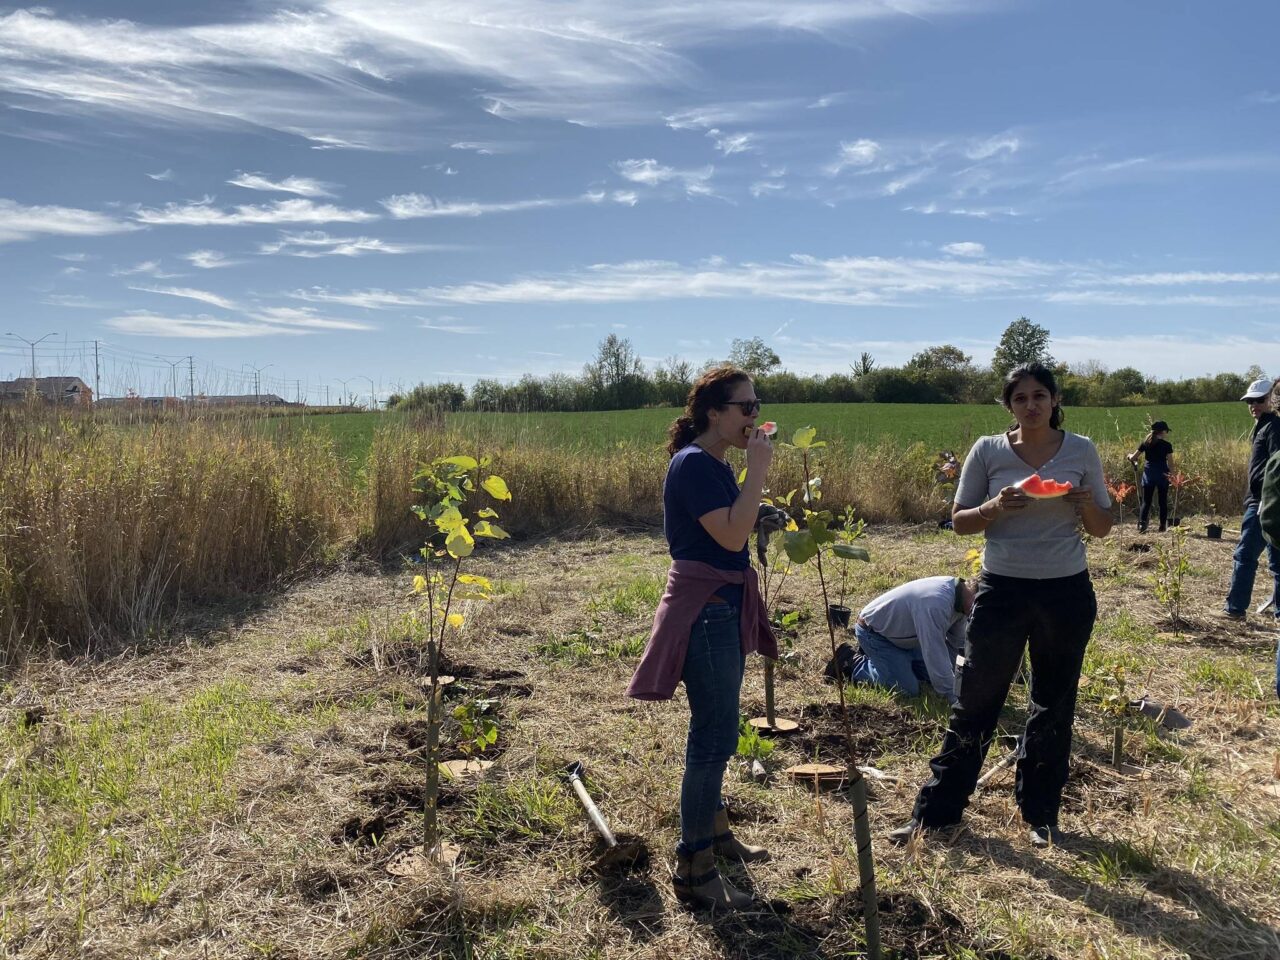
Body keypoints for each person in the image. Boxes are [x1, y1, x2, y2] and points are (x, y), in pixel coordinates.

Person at [890, 362, 1112, 850]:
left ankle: (1040, 813)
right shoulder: (987, 451)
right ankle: (936, 814)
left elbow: (1102, 526)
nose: (1031, 406)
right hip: (1001, 592)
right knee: (975, 702)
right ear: (1008, 406)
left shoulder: (1081, 450)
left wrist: (1081, 502)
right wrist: (993, 508)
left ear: (1055, 401)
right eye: (1020, 398)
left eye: (1039, 396)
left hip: (1065, 593)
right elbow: (960, 521)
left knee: (1053, 704)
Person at [626, 366, 777, 910]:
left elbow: (732, 531)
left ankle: (715, 833)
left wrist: (756, 503)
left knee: (719, 728)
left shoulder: (714, 464)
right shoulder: (693, 465)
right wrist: (758, 471)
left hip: (724, 604)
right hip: (707, 612)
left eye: (756, 406)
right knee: (713, 738)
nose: (754, 417)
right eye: (745, 407)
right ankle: (694, 867)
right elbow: (731, 534)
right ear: (714, 413)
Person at [825, 576, 976, 704]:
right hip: (876, 634)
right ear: (976, 592)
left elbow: (954, 646)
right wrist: (956, 700)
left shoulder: (962, 602)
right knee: (907, 689)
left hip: (907, 639)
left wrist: (959, 680)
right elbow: (934, 653)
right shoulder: (935, 603)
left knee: (932, 676)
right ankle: (853, 662)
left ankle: (896, 663)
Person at [1223, 378, 1280, 622]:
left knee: (1247, 555)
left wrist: (1265, 504)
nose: (1254, 405)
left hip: (1263, 504)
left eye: (1259, 400)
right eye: (1250, 401)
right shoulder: (1264, 425)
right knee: (1271, 559)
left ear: (1271, 400)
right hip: (1260, 502)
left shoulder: (1273, 427)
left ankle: (1235, 609)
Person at [1127, 420, 1174, 533]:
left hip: (1149, 475)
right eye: (1166, 431)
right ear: (1162, 432)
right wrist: (1171, 476)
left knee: (1146, 501)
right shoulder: (1167, 445)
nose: (1166, 433)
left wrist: (1129, 456)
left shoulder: (1146, 443)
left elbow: (1133, 457)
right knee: (1162, 501)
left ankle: (1142, 525)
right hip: (1163, 475)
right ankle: (1162, 526)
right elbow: (1171, 463)